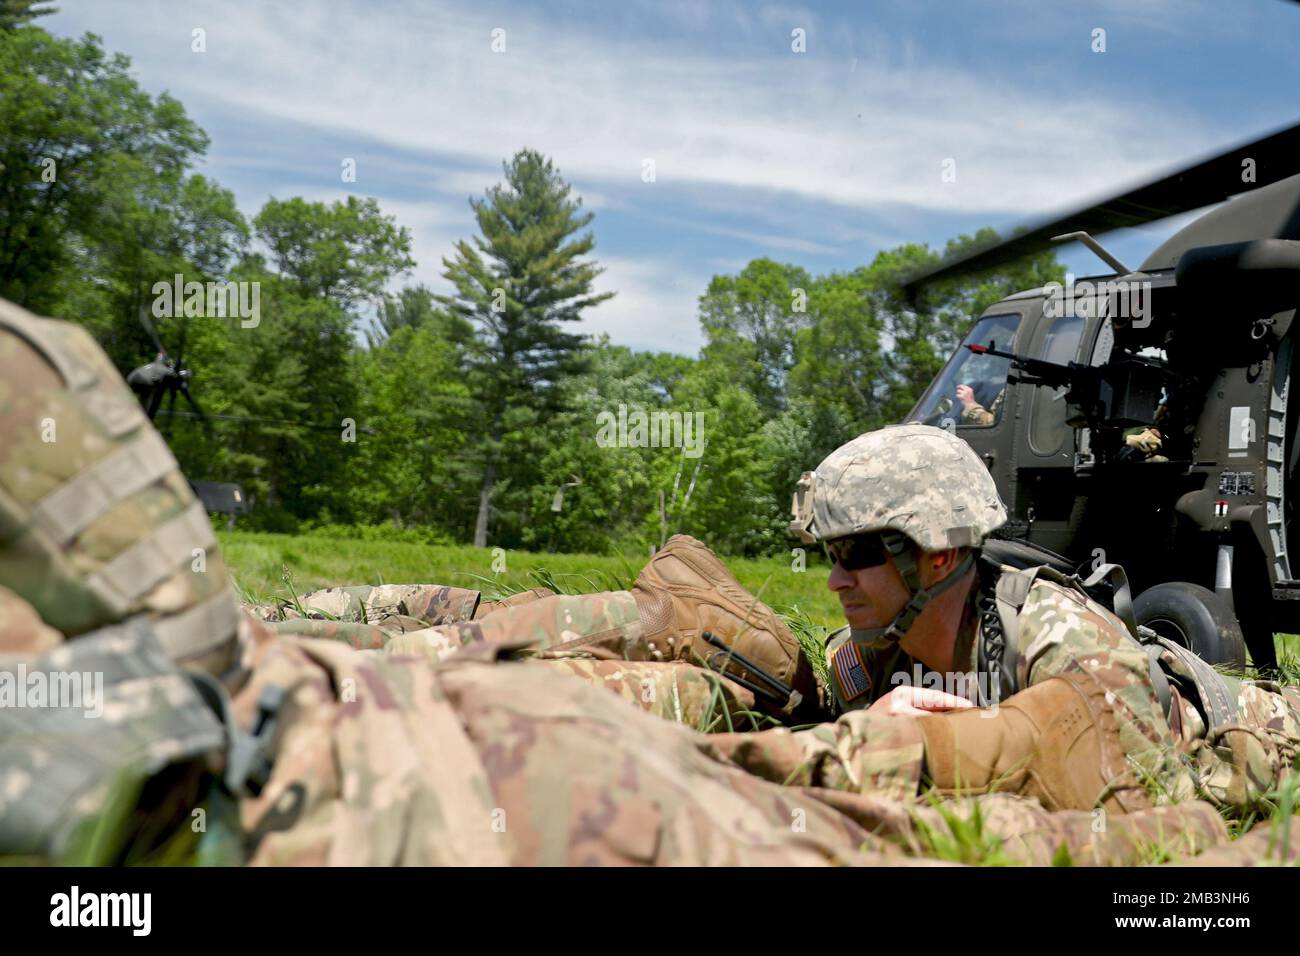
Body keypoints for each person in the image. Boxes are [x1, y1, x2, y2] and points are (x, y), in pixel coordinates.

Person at [0, 296, 1293, 866]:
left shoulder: (1063, 640)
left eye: (855, 556)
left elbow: (1058, 766)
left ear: (937, 558)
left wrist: (875, 752)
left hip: (1239, 744)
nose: (831, 580)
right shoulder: (881, 647)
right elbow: (847, 703)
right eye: (825, 556)